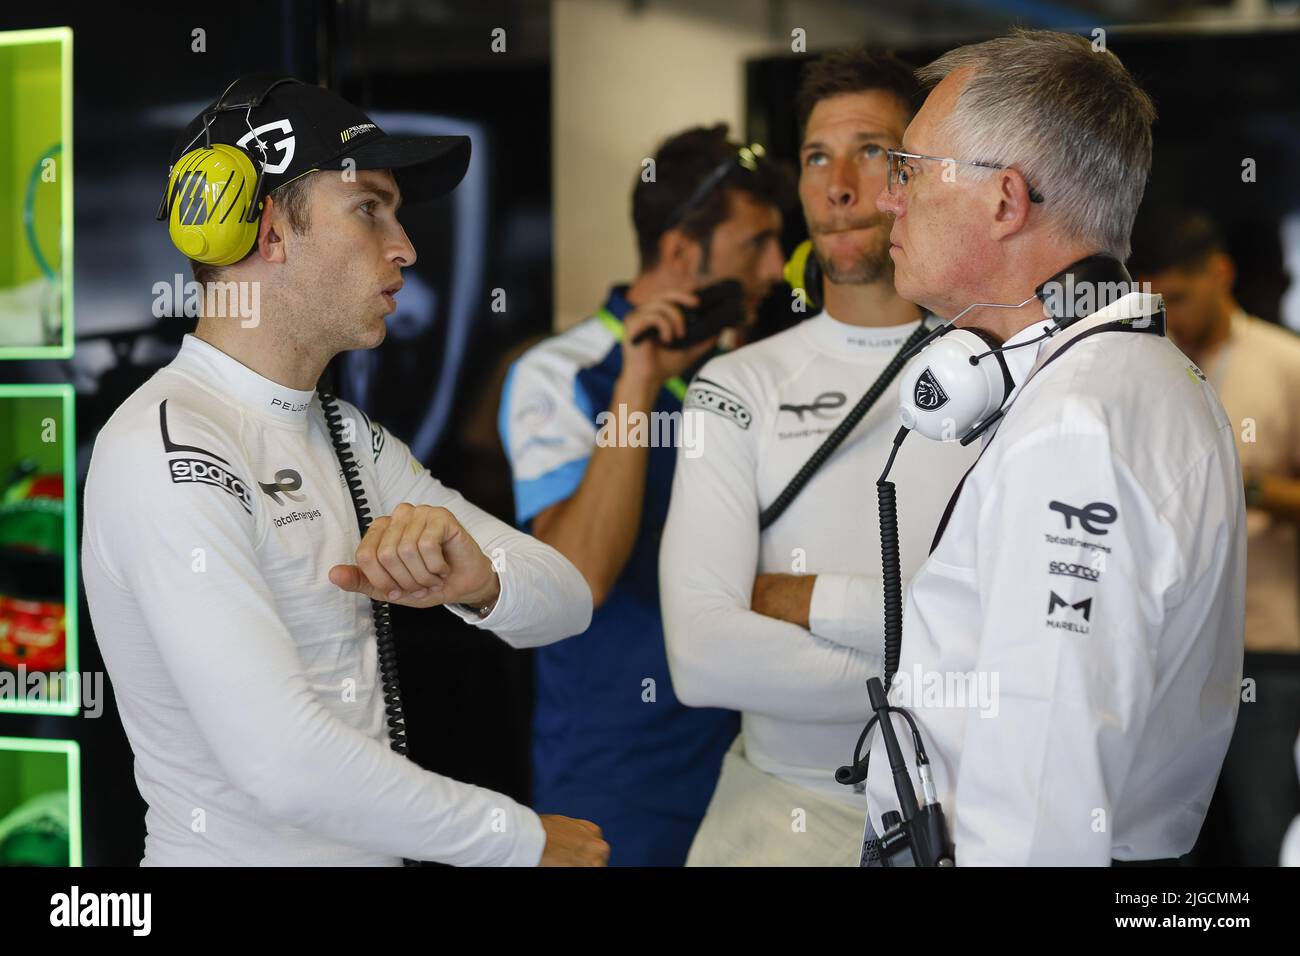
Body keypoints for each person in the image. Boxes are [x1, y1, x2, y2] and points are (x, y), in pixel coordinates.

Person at [82, 76, 606, 867]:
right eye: (370, 209)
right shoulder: (169, 448)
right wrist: (519, 840)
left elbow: (565, 600)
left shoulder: (340, 433)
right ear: (265, 232)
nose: (406, 246)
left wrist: (475, 579)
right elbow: (281, 761)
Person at [863, 30, 1245, 864]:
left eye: (909, 170)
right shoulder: (1137, 381)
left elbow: (1040, 796)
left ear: (1005, 201)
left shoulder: (1077, 424)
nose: (886, 201)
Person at [658, 50, 977, 866]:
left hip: (969, 812)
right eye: (814, 157)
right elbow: (699, 658)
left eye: (870, 150)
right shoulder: (735, 384)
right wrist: (959, 680)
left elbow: (1022, 631)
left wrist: (816, 602)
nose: (838, 186)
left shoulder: (1001, 373)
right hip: (775, 813)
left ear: (918, 172)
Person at [497, 124, 791, 865]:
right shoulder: (561, 374)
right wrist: (638, 384)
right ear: (681, 254)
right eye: (754, 244)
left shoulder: (753, 373)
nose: (776, 268)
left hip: (754, 755)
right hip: (620, 770)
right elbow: (578, 573)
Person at [1131, 209, 1300, 865]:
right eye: (1155, 299)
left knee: (1266, 833)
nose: (1168, 313)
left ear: (1221, 273)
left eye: (1178, 297)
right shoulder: (1143, 370)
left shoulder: (1285, 363)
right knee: (1165, 841)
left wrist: (1244, 487)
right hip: (1167, 648)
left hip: (1268, 644)